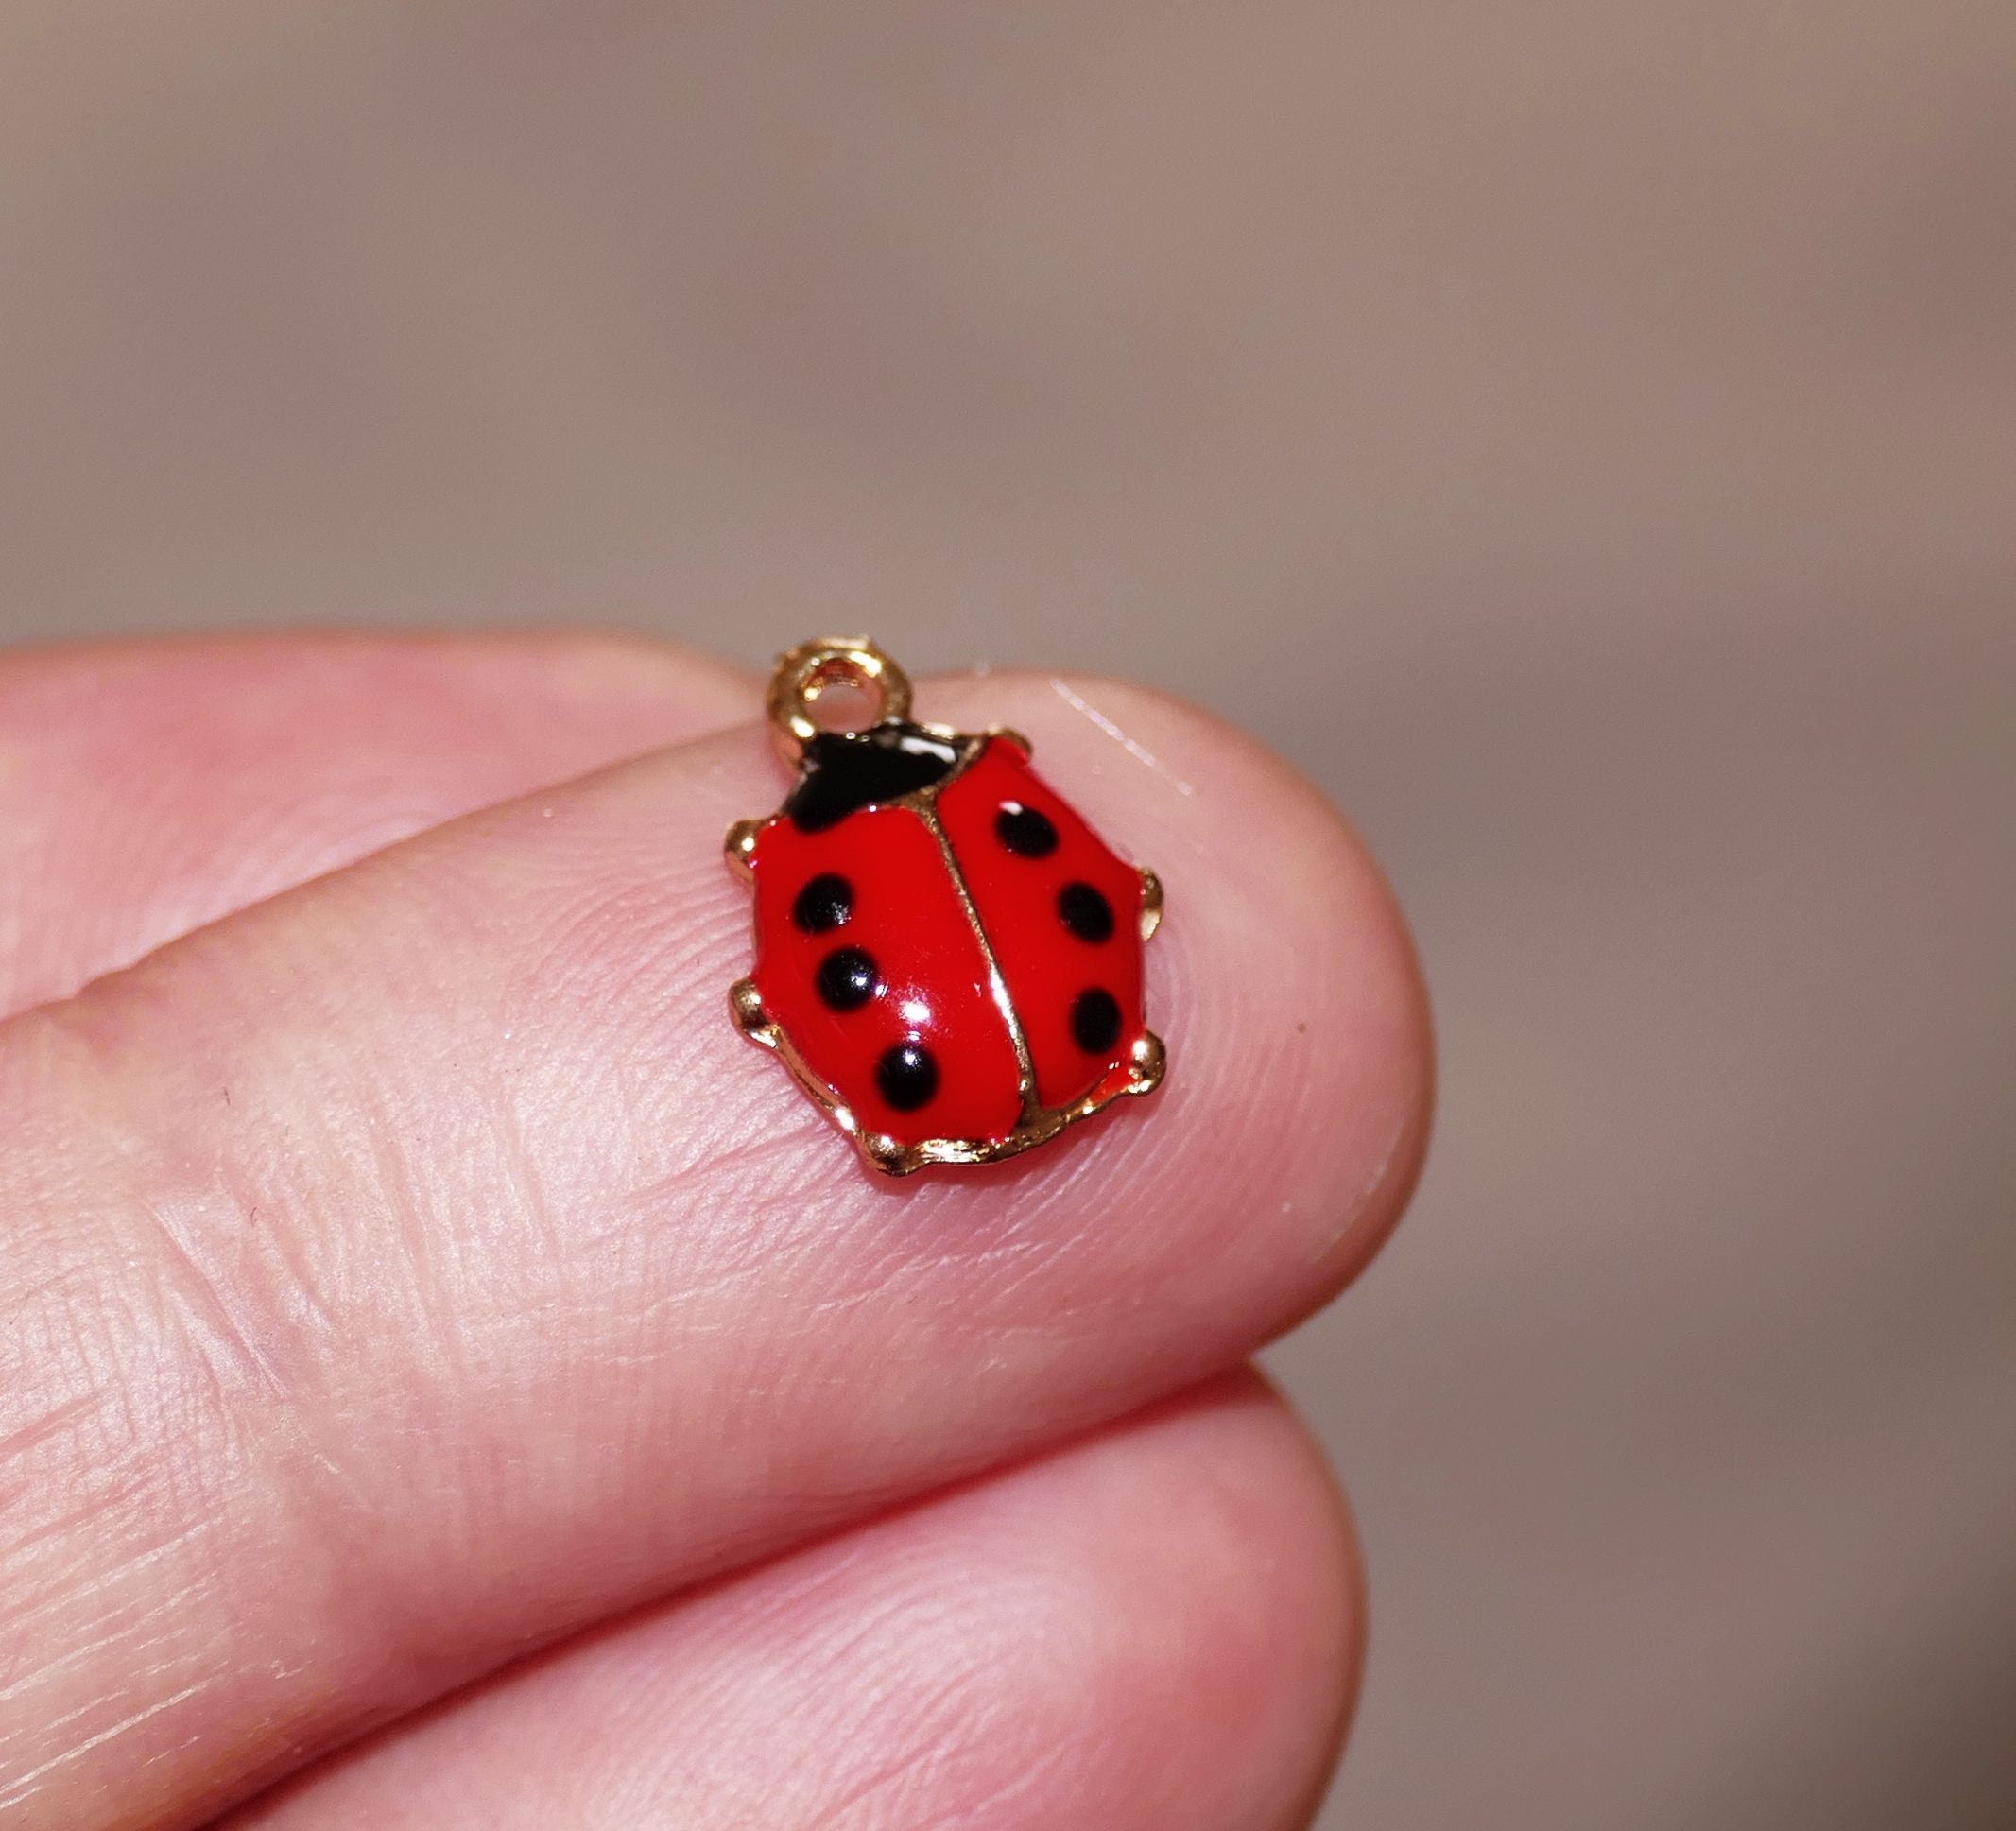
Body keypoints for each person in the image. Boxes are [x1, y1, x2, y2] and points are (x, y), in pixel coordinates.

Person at [0, 630, 1431, 1829]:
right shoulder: (996, 790)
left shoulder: (810, 841)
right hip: (1070, 1052)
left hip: (989, 1076)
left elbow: (804, 985)